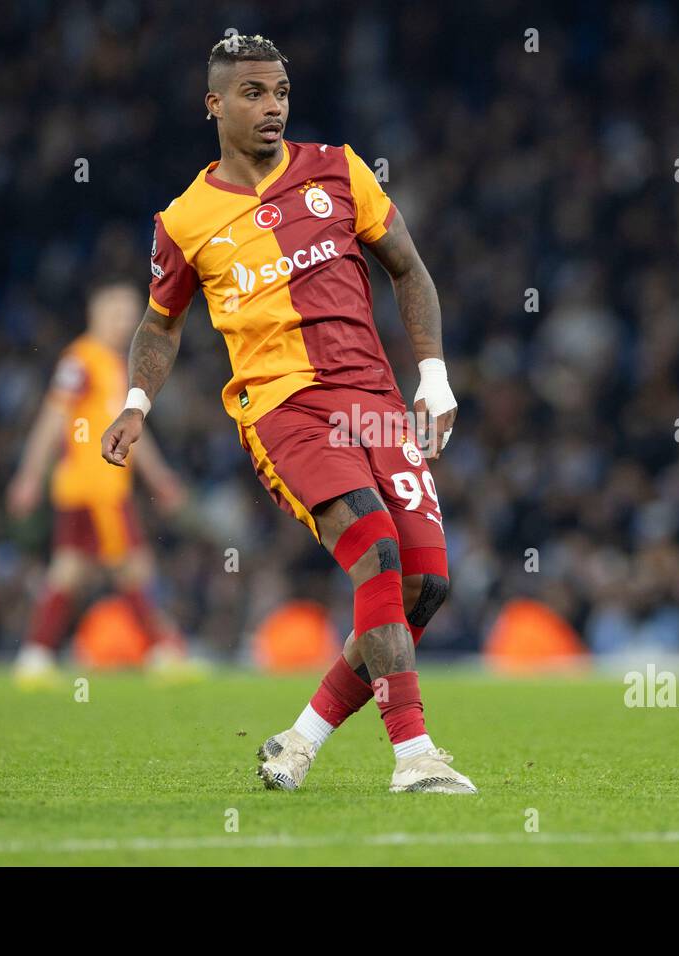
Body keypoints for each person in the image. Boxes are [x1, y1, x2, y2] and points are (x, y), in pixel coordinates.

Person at [101, 34, 474, 793]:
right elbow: (160, 323)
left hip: (374, 404)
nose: (271, 107)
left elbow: (409, 268)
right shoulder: (185, 221)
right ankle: (414, 756)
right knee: (374, 548)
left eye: (279, 92)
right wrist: (137, 403)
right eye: (252, 94)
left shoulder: (340, 169)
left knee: (424, 585)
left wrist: (432, 375)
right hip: (285, 408)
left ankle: (299, 741)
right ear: (213, 104)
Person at [8, 279, 192, 687]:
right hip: (93, 487)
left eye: (130, 315)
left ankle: (35, 656)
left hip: (98, 488)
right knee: (133, 566)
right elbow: (52, 419)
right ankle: (164, 649)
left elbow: (132, 433)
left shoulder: (113, 364)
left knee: (71, 570)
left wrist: (159, 476)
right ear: (95, 313)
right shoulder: (81, 360)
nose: (124, 323)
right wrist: (29, 476)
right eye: (116, 314)